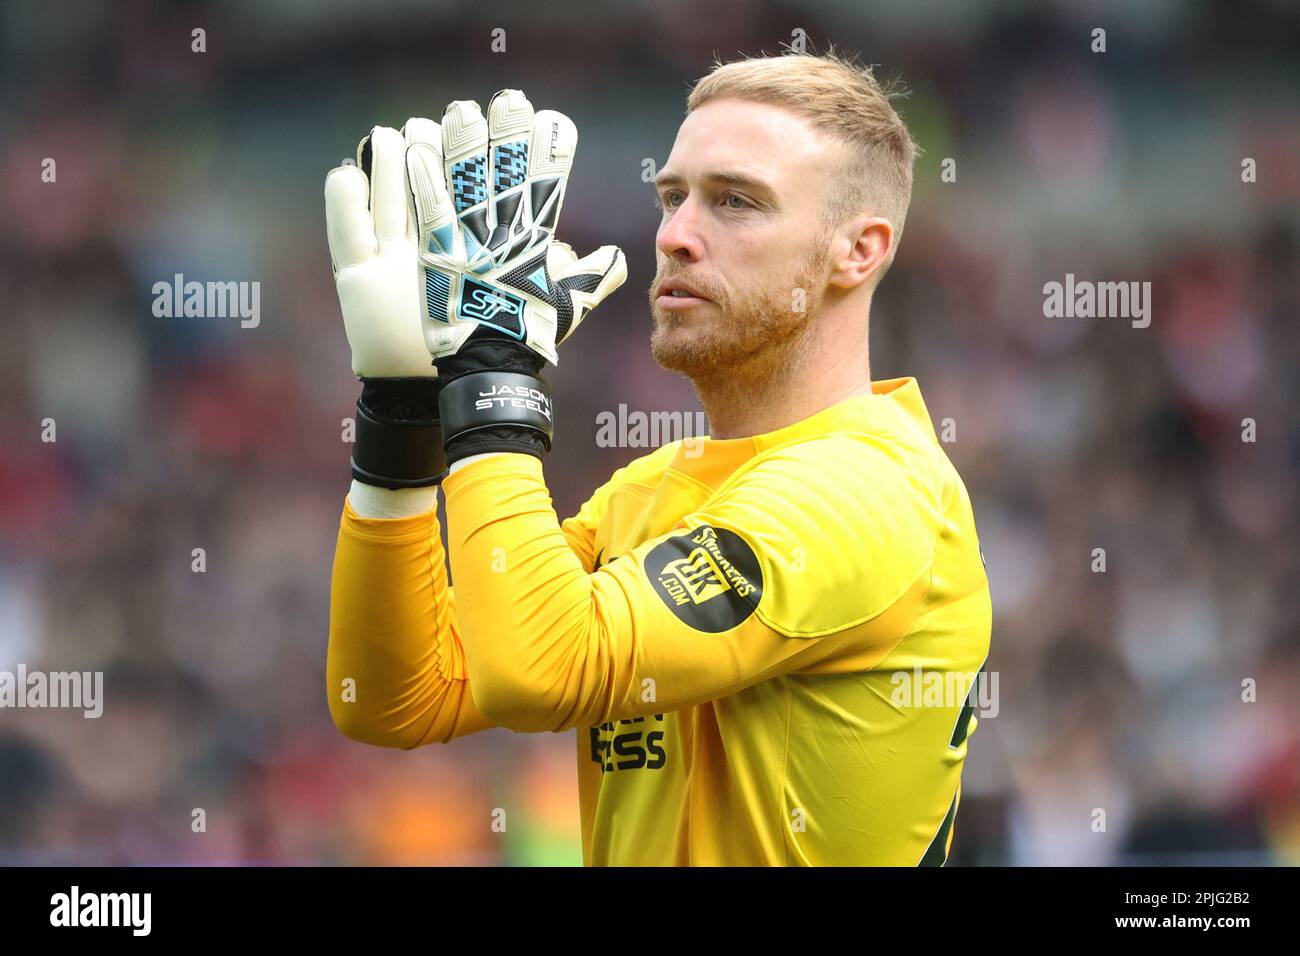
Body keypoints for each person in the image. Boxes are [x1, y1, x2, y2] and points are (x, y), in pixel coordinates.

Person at [324, 49, 991, 866]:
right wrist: (403, 415)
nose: (675, 236)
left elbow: (542, 670)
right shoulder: (648, 490)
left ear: (858, 251)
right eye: (672, 197)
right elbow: (397, 695)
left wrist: (490, 375)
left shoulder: (872, 490)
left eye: (736, 202)